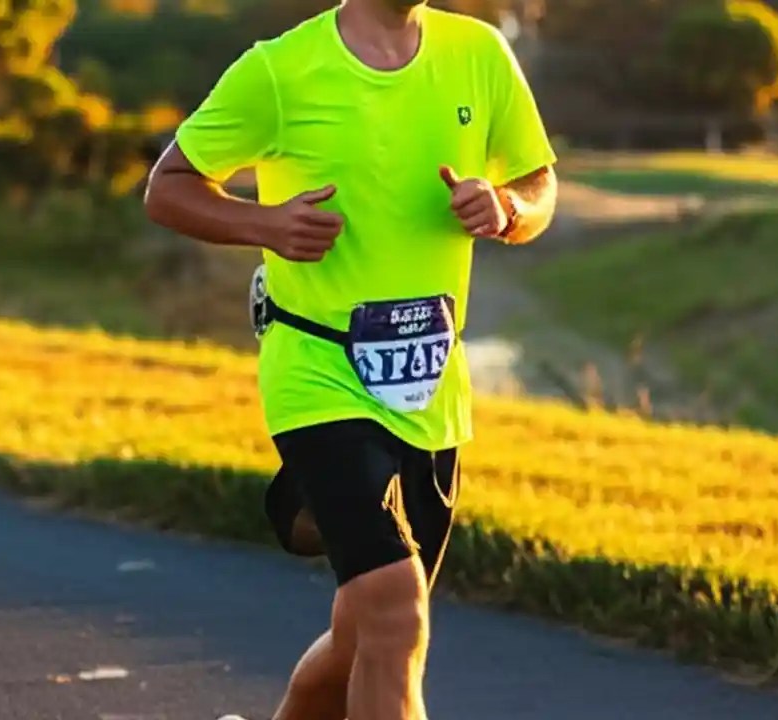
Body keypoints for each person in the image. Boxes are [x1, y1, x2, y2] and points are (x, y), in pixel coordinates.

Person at [143, 0, 558, 716]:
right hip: (317, 370)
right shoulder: (279, 70)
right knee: (396, 609)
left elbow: (538, 182)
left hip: (432, 386)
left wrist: (508, 209)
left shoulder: (481, 53)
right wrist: (264, 224)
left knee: (364, 631)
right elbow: (168, 187)